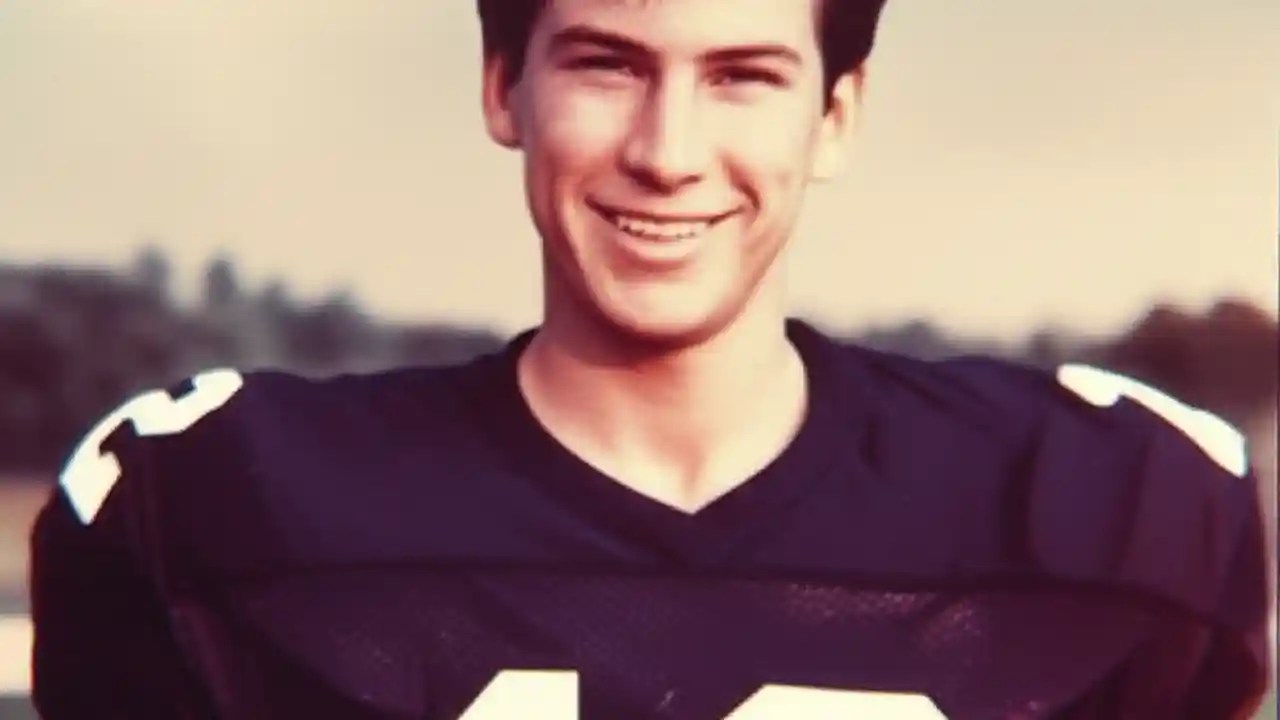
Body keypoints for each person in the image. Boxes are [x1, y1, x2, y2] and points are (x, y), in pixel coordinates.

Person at [28, 0, 1269, 717]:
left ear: (832, 116)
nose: (666, 151)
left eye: (741, 76)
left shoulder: (1103, 509)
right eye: (609, 64)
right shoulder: (223, 503)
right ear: (503, 86)